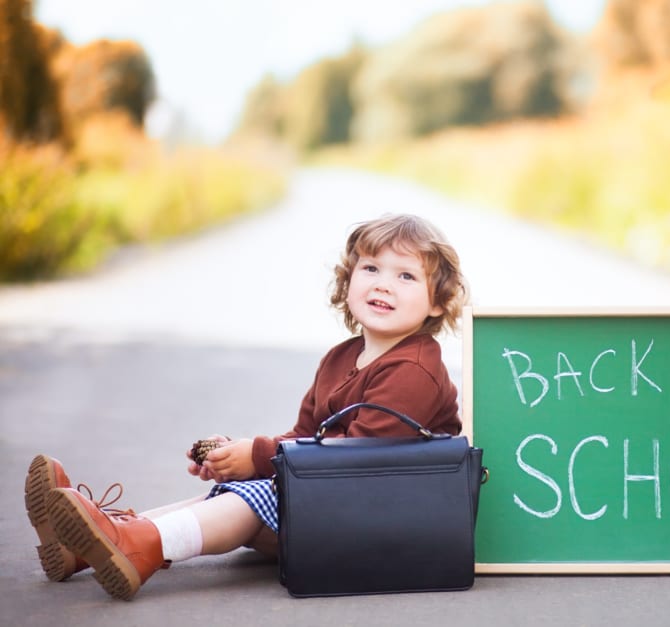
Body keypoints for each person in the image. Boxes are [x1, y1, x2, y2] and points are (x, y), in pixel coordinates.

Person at [24, 213, 469, 600]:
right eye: (371, 268)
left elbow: (358, 463)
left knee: (254, 497)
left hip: (388, 521)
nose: (383, 284)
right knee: (224, 495)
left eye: (405, 276)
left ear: (436, 301)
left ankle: (140, 545)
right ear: (348, 282)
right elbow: (306, 441)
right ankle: (92, 543)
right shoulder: (340, 358)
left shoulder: (414, 368)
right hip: (339, 510)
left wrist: (258, 458)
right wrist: (238, 457)